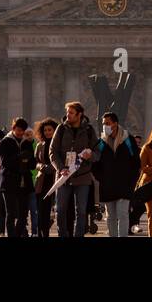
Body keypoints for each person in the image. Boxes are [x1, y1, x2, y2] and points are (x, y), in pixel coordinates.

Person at [49, 101, 97, 237]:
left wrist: (91, 155)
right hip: (64, 176)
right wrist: (60, 168)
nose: (67, 115)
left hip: (82, 176)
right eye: (67, 112)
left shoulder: (89, 130)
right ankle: (62, 234)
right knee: (60, 210)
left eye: (71, 113)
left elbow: (97, 151)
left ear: (79, 114)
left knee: (81, 211)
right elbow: (52, 152)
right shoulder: (61, 129)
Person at [93, 111, 140, 237]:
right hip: (108, 185)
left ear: (115, 123)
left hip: (125, 185)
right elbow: (94, 163)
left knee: (122, 214)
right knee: (111, 216)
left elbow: (136, 163)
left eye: (107, 123)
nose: (105, 126)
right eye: (103, 124)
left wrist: (132, 182)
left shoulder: (128, 140)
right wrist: (101, 178)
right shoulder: (101, 142)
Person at [0, 118, 34, 237]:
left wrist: (26, 160)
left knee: (23, 214)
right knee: (11, 213)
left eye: (22, 131)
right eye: (18, 130)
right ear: (13, 128)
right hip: (9, 182)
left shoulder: (27, 143)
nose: (20, 133)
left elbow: (32, 164)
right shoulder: (5, 142)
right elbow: (5, 163)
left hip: (24, 183)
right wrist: (20, 157)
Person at [32, 117, 58, 237]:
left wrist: (53, 167)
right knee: (41, 213)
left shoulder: (59, 145)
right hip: (42, 183)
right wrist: (42, 167)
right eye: (45, 130)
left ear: (55, 131)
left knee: (54, 212)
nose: (47, 132)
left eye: (50, 130)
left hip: (55, 180)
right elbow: (35, 162)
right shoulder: (39, 145)